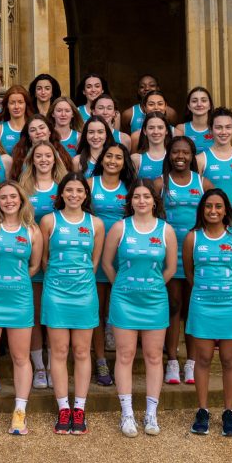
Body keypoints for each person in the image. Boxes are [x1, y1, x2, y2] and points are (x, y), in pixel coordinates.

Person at [102, 179, 178, 438]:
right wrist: (122, 286)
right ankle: (127, 414)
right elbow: (107, 264)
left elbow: (170, 268)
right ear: (130, 201)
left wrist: (153, 287)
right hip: (124, 300)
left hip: (155, 301)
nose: (142, 201)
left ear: (154, 201)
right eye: (137, 197)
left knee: (154, 356)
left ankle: (151, 414)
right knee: (125, 355)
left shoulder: (165, 229)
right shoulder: (120, 228)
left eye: (146, 196)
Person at [0, 182, 42, 435]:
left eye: (13, 196)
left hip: (20, 300)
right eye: (4, 197)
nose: (9, 201)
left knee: (21, 357)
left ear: (21, 199)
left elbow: (34, 266)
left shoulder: (32, 230)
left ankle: (20, 412)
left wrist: (16, 282)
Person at [40, 173, 104, 435]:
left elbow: (95, 261)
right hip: (56, 293)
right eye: (69, 190)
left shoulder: (96, 224)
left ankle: (80, 407)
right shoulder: (48, 221)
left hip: (84, 294)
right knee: (59, 351)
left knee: (81, 351)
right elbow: (44, 260)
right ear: (61, 194)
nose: (74, 195)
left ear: (86, 195)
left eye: (79, 190)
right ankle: (63, 407)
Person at [184, 189, 232, 437]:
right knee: (202, 359)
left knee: (229, 359)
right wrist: (204, 292)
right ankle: (202, 410)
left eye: (218, 206)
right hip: (202, 305)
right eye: (208, 206)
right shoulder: (193, 238)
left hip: (230, 305)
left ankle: (228, 411)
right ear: (202, 209)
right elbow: (190, 273)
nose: (213, 211)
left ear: (226, 210)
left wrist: (228, 292)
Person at [154, 136, 213, 386]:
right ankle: (171, 362)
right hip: (169, 252)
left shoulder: (202, 183)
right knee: (174, 307)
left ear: (192, 156)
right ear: (169, 154)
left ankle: (191, 363)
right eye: (176, 152)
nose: (181, 156)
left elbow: (213, 214)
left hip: (195, 252)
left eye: (186, 153)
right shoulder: (161, 183)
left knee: (191, 309)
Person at [18, 141, 67, 390]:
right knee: (36, 313)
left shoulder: (63, 187)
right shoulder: (24, 188)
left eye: (48, 155)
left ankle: (52, 363)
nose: (44, 159)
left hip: (58, 262)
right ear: (32, 159)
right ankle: (38, 365)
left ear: (55, 159)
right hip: (33, 259)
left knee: (54, 316)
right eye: (39, 156)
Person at [89, 142, 136, 386]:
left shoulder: (130, 188)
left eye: (118, 157)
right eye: (109, 156)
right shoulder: (90, 184)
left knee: (117, 310)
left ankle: (121, 361)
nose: (113, 161)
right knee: (97, 310)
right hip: (95, 254)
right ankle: (100, 360)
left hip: (123, 255)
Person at [197, 108, 232, 249]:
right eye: (218, 127)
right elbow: (197, 194)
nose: (223, 132)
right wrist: (215, 214)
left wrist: (229, 212)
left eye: (228, 127)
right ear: (211, 130)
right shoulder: (200, 160)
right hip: (210, 224)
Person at [8, 114, 74, 179]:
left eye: (42, 128)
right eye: (33, 130)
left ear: (49, 131)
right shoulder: (21, 156)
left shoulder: (61, 153)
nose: (38, 132)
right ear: (29, 136)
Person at [131, 112, 172, 180]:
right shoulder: (136, 159)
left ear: (166, 130)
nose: (156, 132)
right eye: (151, 128)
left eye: (160, 128)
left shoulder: (172, 157)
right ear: (144, 131)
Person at [175, 86, 214, 154]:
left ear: (210, 105)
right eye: (194, 101)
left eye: (204, 100)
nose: (199, 104)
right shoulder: (181, 129)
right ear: (189, 106)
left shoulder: (217, 128)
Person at [0, 85, 32, 153]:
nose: (16, 107)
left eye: (20, 102)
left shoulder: (33, 128)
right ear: (7, 105)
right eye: (12, 103)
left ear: (26, 104)